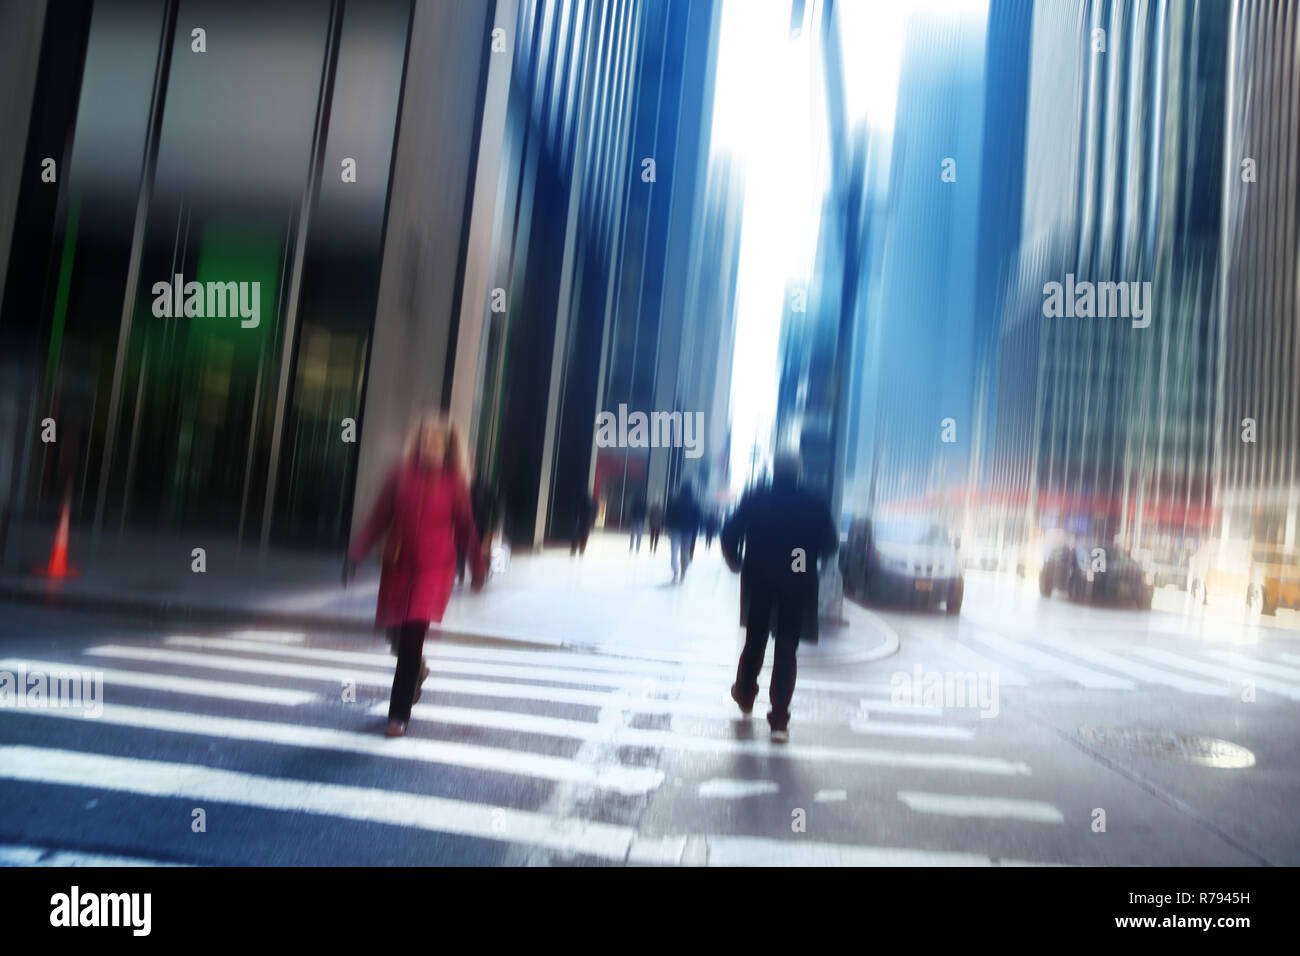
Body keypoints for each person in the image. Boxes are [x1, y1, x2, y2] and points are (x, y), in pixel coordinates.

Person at [344, 412, 486, 738]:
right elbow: (379, 518)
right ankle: (419, 669)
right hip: (399, 567)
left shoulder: (455, 484)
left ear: (448, 447)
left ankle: (398, 715)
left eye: (436, 441)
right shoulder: (400, 475)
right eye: (425, 439)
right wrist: (356, 554)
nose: (429, 445)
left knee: (411, 637)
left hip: (434, 570)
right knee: (394, 633)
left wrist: (477, 567)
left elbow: (466, 528)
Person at [720, 452, 837, 743]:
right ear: (798, 472)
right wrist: (803, 558)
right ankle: (779, 722)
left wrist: (736, 560)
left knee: (755, 639)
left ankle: (745, 694)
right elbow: (830, 544)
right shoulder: (814, 501)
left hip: (760, 577)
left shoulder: (756, 497)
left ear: (774, 471)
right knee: (786, 649)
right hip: (796, 582)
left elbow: (729, 532)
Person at [664, 481, 702, 581]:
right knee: (685, 552)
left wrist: (667, 528)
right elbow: (698, 519)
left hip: (675, 529)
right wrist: (695, 531)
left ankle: (675, 569)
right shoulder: (695, 503)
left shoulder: (674, 501)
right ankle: (683, 573)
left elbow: (668, 516)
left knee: (674, 550)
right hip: (688, 531)